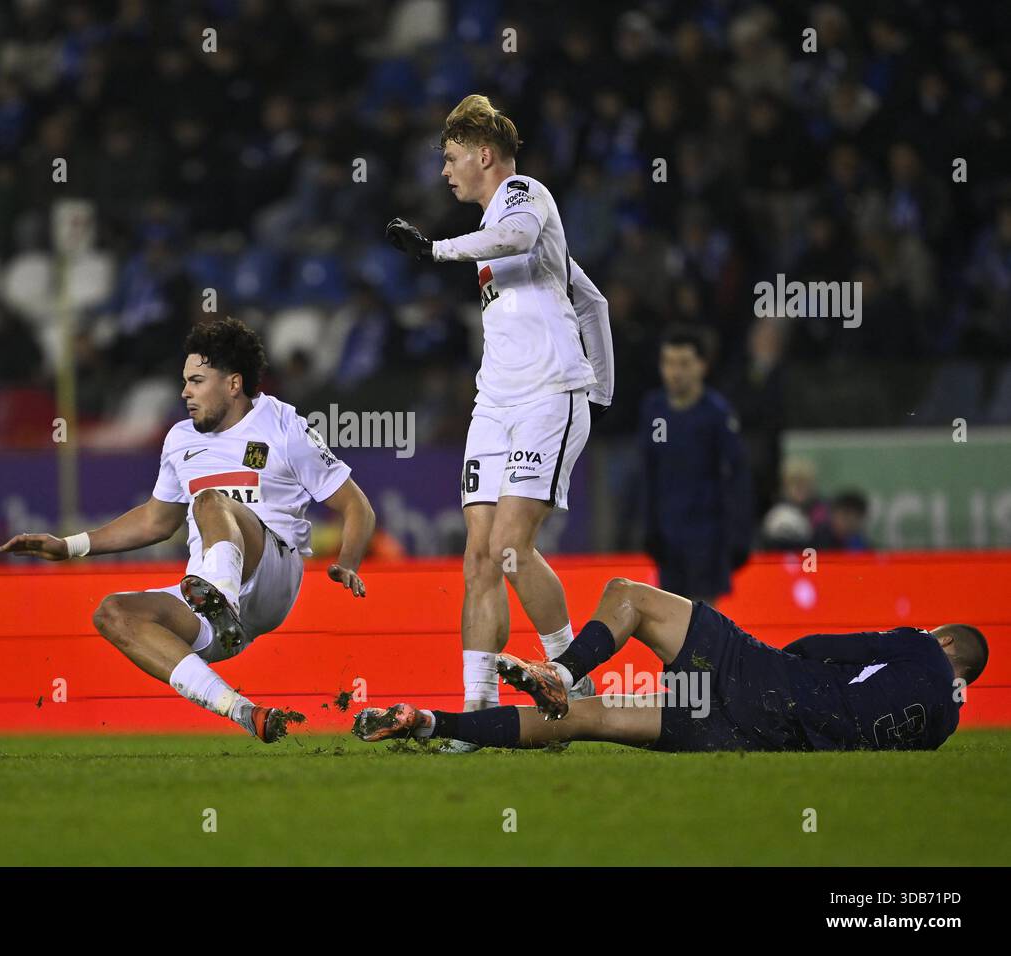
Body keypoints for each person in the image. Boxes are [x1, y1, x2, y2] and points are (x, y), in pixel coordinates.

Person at [0, 317, 375, 742]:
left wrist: (348, 562)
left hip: (273, 573)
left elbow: (356, 506)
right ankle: (241, 710)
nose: (185, 393)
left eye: (196, 381)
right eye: (184, 381)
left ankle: (220, 599)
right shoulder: (179, 439)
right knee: (113, 613)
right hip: (211, 592)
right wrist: (68, 546)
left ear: (233, 384)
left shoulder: (285, 426)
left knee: (210, 501)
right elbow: (156, 520)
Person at [384, 94, 614, 749]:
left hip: (547, 396)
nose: (445, 172)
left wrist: (593, 392)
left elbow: (514, 237)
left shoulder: (523, 195)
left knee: (512, 549)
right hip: (496, 403)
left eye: (452, 158)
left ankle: (576, 683)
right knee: (479, 560)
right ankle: (478, 714)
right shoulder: (499, 230)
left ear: (484, 155)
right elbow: (591, 301)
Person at [353, 577, 987, 752]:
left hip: (766, 677)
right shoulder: (938, 728)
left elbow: (830, 647)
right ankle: (429, 723)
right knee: (582, 723)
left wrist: (784, 663)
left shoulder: (922, 647)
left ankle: (562, 671)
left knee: (627, 596)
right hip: (757, 738)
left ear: (950, 647)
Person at [640, 325, 752, 602]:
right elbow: (648, 471)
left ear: (702, 366)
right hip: (668, 532)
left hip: (707, 534)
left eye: (684, 363)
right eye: (668, 363)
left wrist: (739, 535)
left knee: (704, 617)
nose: (675, 372)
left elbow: (737, 477)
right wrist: (648, 527)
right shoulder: (655, 411)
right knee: (668, 615)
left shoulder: (717, 414)